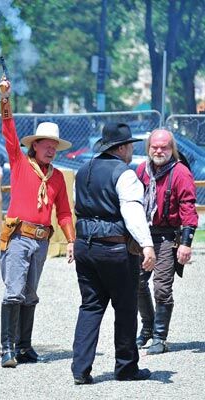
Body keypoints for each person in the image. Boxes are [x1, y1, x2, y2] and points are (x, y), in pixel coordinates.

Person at [0, 77, 75, 368]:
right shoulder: (19, 161)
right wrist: (5, 99)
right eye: (47, 144)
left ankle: (25, 347)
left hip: (41, 240)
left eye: (55, 145)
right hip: (18, 237)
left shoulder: (56, 177)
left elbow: (65, 212)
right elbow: (8, 130)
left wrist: (70, 240)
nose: (52, 149)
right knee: (14, 291)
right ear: (35, 145)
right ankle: (7, 349)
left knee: (30, 294)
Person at [71, 122, 156, 384]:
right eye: (130, 145)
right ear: (121, 148)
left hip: (84, 246)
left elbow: (79, 207)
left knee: (91, 306)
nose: (132, 149)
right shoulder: (125, 173)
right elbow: (133, 212)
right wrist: (147, 245)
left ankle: (80, 369)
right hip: (114, 248)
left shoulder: (82, 170)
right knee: (126, 307)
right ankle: (126, 367)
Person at [136, 128, 198, 355]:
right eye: (155, 146)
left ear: (172, 149)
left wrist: (186, 243)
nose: (159, 150)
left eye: (164, 147)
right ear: (148, 148)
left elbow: (188, 208)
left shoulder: (180, 172)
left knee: (161, 288)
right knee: (136, 283)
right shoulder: (142, 170)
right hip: (143, 236)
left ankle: (160, 337)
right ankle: (148, 329)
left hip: (166, 237)